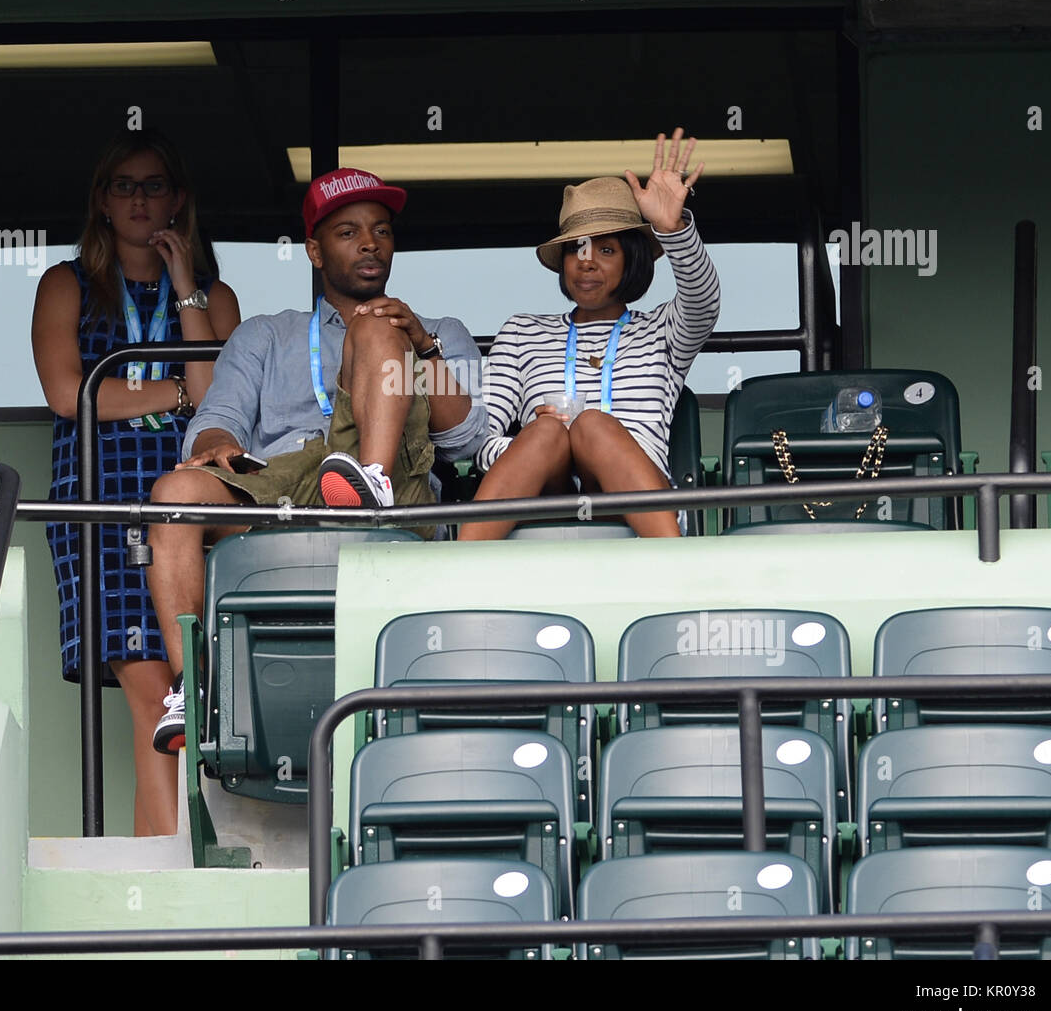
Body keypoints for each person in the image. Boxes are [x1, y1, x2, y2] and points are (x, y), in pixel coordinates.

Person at [145, 166, 486, 764]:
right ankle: (189, 688)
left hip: (390, 481)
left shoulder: (435, 331)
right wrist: (222, 444)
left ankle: (367, 485)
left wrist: (421, 346)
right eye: (349, 231)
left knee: (377, 327)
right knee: (174, 492)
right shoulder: (265, 335)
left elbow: (463, 439)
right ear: (314, 249)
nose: (370, 243)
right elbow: (214, 419)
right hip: (287, 485)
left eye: (381, 231)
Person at [32, 129, 240, 837]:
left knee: (191, 690)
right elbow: (69, 395)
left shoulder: (220, 296)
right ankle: (167, 869)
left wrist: (187, 289)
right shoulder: (67, 283)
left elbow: (219, 402)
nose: (140, 199)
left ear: (178, 198)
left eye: (155, 184)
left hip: (190, 505)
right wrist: (174, 394)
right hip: (100, 496)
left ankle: (154, 865)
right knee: (151, 692)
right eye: (125, 184)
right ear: (102, 199)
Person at [461, 128, 720, 540]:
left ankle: (677, 567)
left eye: (606, 250)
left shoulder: (660, 330)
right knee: (547, 432)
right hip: (546, 502)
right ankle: (458, 580)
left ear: (631, 259)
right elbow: (477, 439)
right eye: (576, 249)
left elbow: (703, 301)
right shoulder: (523, 331)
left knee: (593, 426)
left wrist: (674, 230)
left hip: (638, 508)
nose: (587, 263)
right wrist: (532, 442)